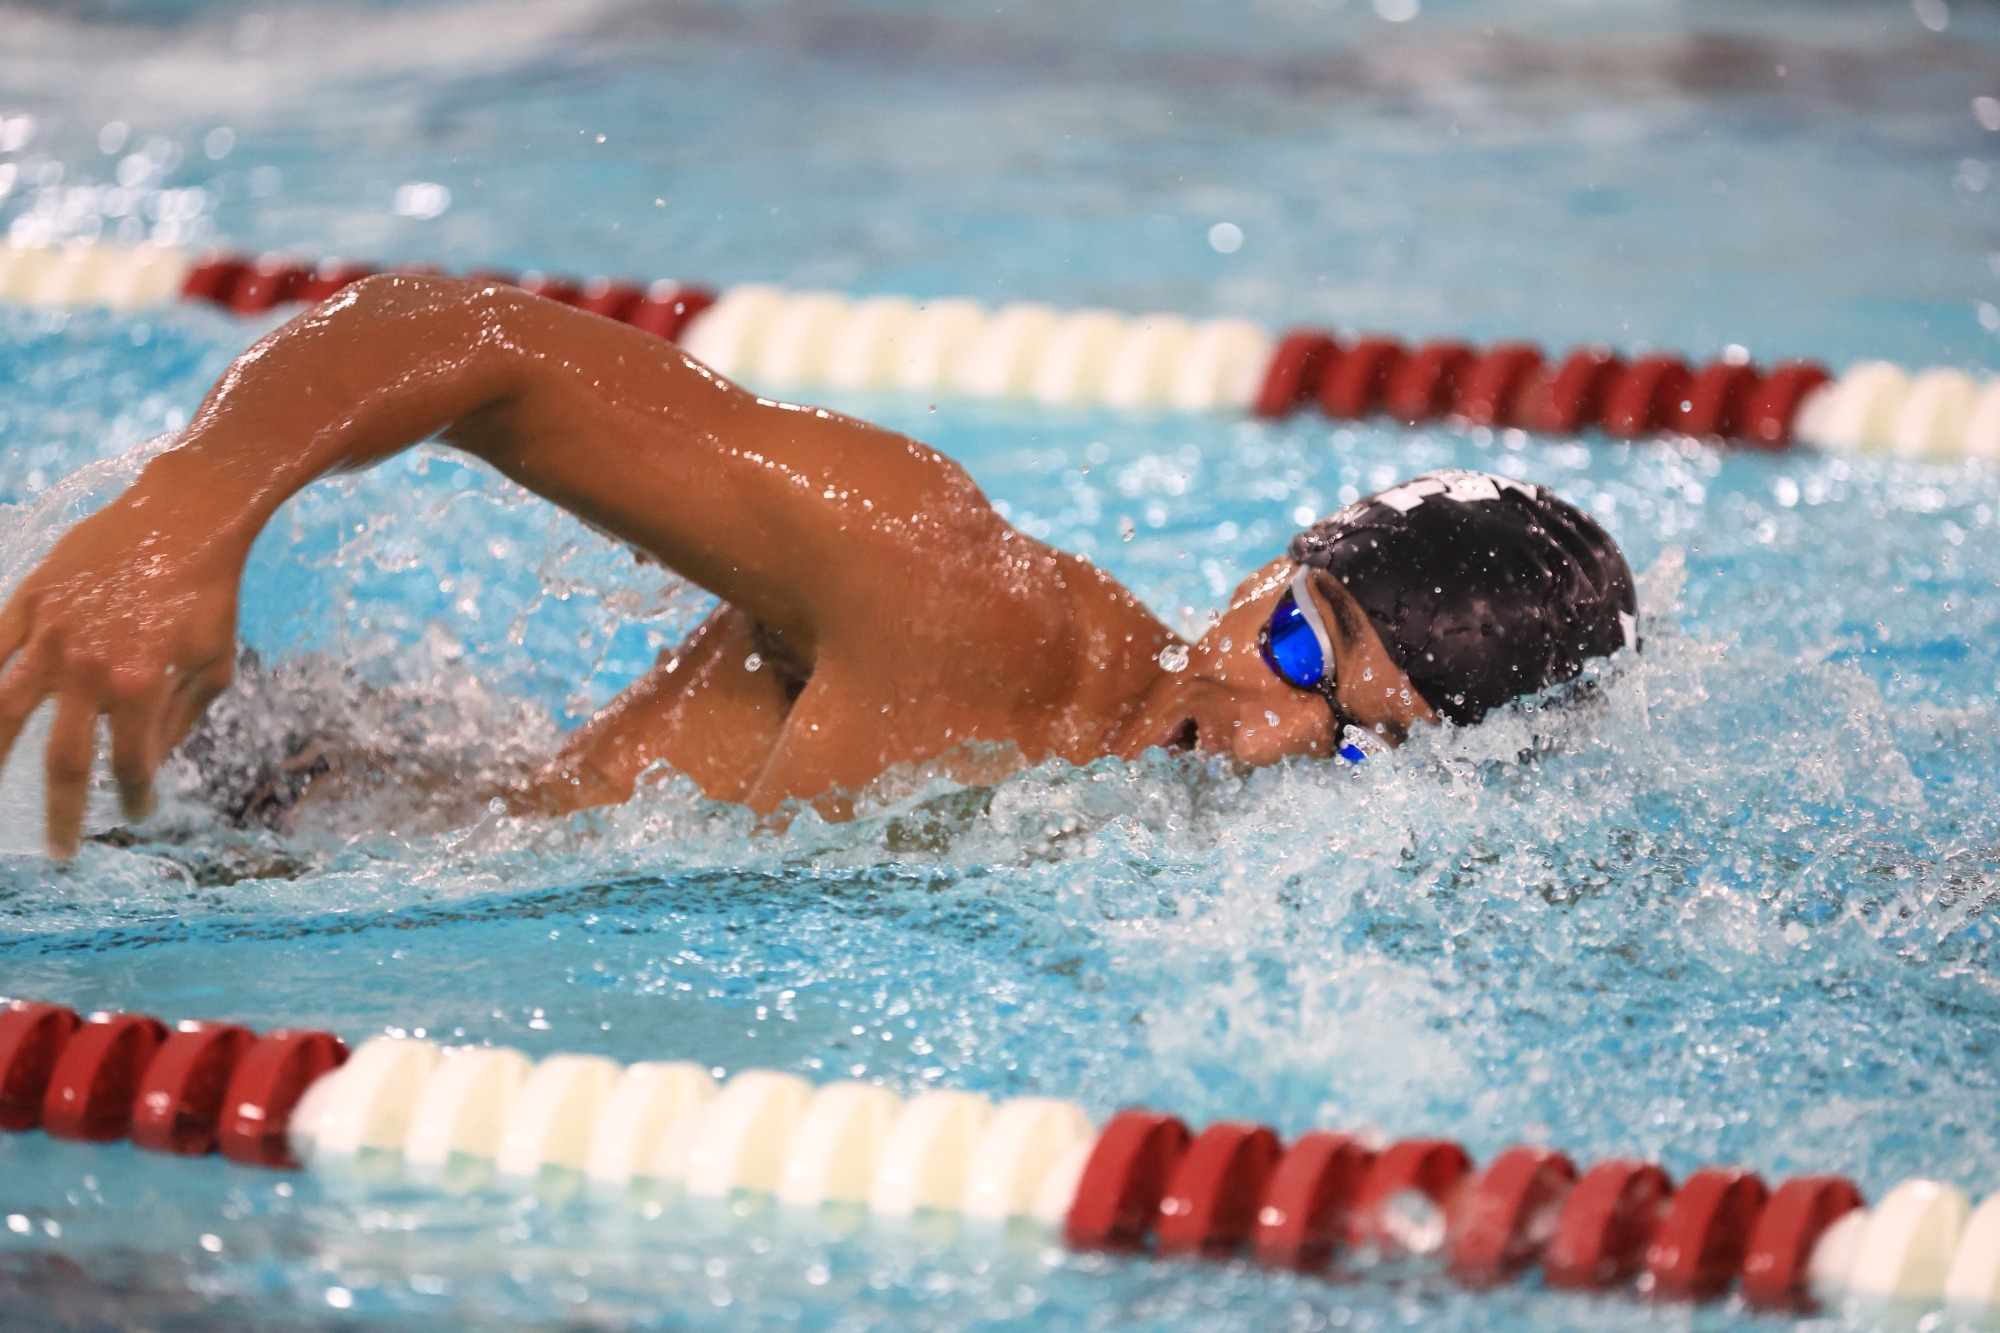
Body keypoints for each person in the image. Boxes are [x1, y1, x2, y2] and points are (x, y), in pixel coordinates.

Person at [0, 276, 1637, 859]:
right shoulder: (963, 603)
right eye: (1299, 653)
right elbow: (467, 336)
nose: (1274, 738)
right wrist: (185, 520)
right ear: (1256, 585)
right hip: (212, 798)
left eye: (1364, 747)